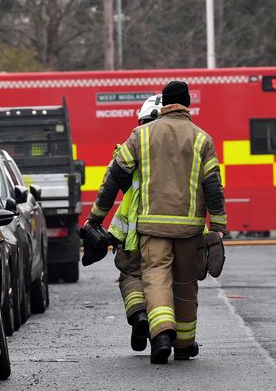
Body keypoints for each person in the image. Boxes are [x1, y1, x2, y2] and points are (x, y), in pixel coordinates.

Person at [86, 81, 226, 364]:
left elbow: (114, 178)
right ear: (187, 104)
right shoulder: (202, 139)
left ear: (164, 105)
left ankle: (161, 334)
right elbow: (213, 186)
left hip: (152, 228)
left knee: (156, 277)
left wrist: (96, 217)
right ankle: (185, 345)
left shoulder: (141, 135)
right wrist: (219, 228)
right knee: (186, 283)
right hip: (190, 228)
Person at [106, 94, 161, 352]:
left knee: (130, 275)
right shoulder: (185, 150)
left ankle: (139, 315)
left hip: (134, 232)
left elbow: (110, 186)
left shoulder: (128, 150)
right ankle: (175, 335)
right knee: (169, 279)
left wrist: (94, 222)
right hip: (176, 230)